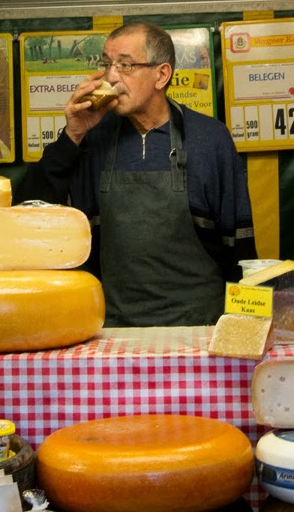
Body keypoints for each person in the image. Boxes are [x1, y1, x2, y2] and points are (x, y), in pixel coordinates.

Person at [19, 22, 256, 327]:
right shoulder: (92, 138)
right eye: (107, 64)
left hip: (201, 328)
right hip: (111, 330)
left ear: (162, 75)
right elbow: (28, 213)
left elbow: (242, 248)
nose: (111, 76)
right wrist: (73, 135)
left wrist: (246, 326)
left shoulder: (210, 139)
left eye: (125, 65)